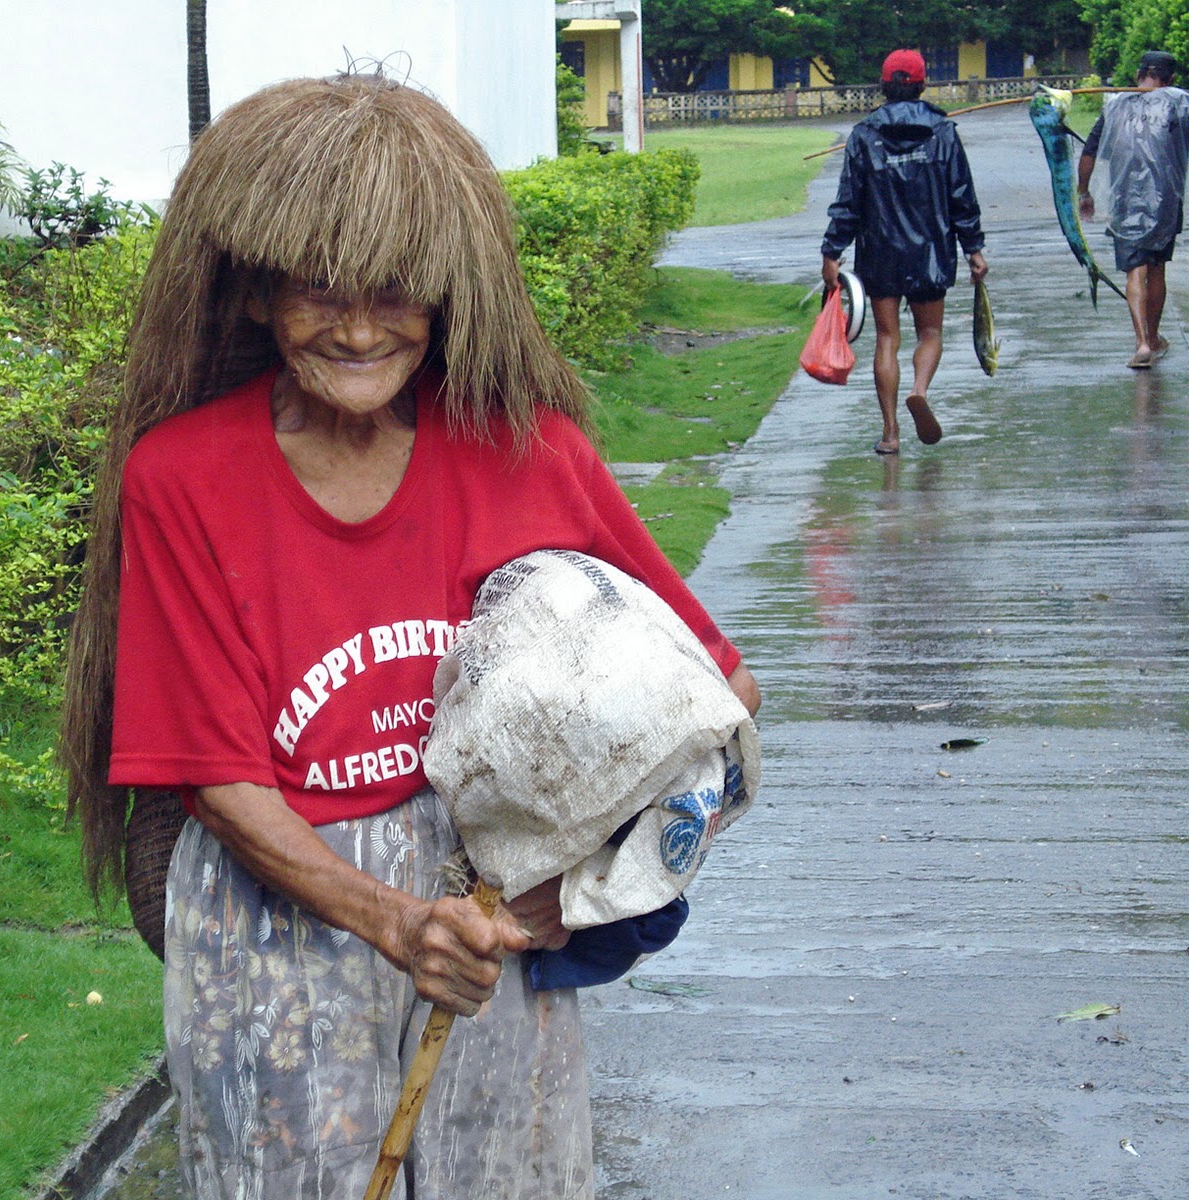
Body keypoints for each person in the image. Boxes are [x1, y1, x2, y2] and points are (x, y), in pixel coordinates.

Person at [60, 73, 760, 1199]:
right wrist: (394, 922)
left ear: (444, 293)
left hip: (486, 916)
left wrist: (576, 883)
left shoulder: (525, 452)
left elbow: (717, 698)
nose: (355, 327)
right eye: (316, 292)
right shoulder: (182, 477)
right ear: (253, 293)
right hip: (274, 920)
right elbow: (217, 777)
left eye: (394, 292)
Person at [820, 49, 989, 455]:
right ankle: (919, 390)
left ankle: (891, 432)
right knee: (929, 333)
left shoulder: (863, 135)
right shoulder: (942, 131)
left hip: (880, 251)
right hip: (931, 249)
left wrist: (832, 251)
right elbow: (961, 194)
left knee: (886, 339)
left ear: (883, 85)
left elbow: (849, 201)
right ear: (922, 85)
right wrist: (974, 248)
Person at [1078, 50, 1189, 369]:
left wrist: (1084, 191)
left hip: (1125, 200)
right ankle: (1153, 338)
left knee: (1135, 270)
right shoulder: (1180, 105)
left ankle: (1142, 343)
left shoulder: (1115, 106)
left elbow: (1089, 153)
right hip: (1166, 202)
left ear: (1139, 74)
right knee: (1156, 267)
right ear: (1170, 79)